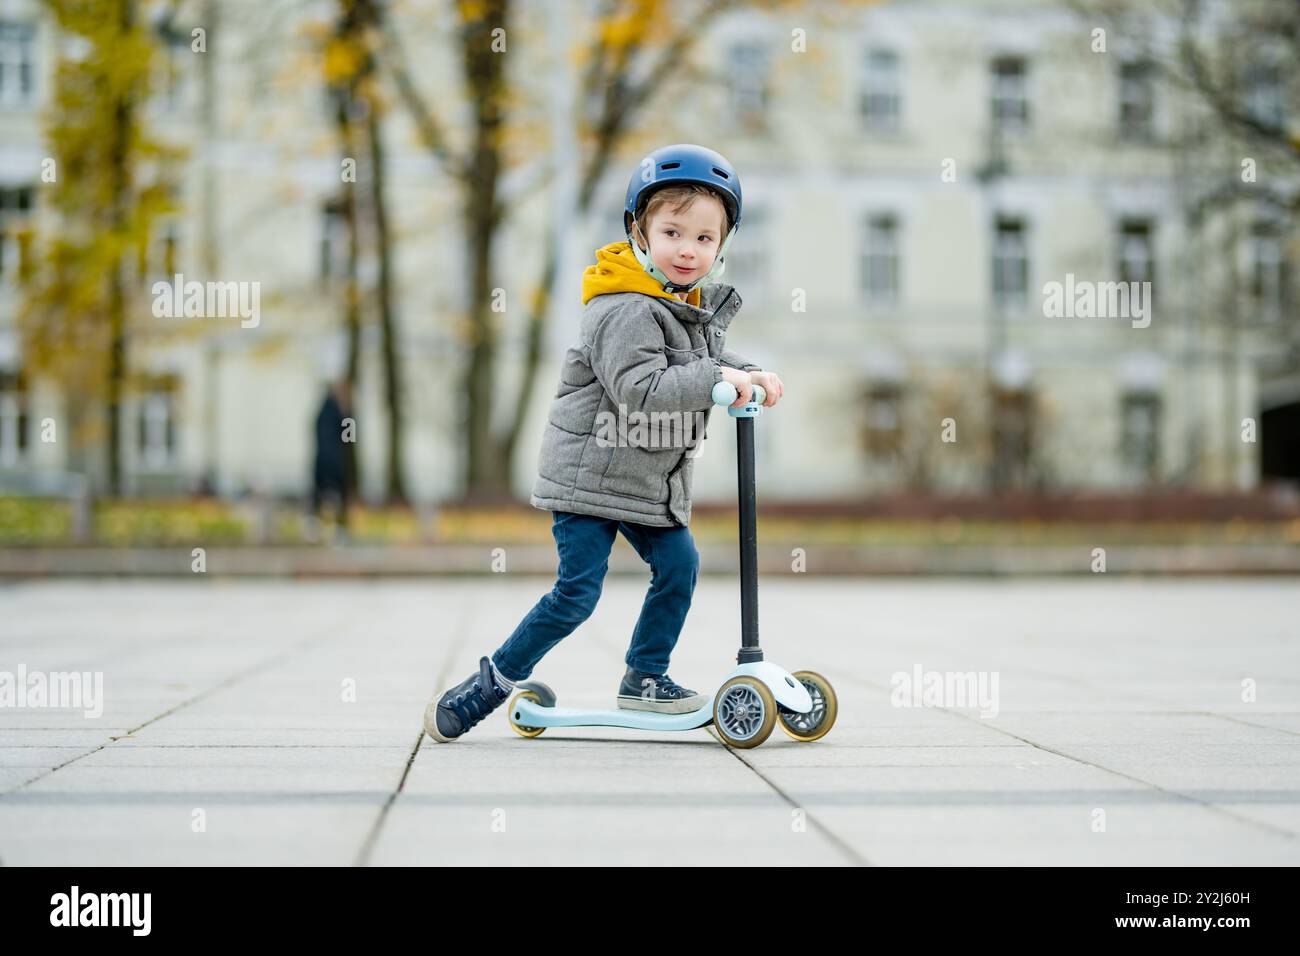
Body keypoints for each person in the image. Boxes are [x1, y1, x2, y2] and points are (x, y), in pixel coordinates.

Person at [425, 144, 784, 743]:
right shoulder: (623, 308)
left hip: (644, 482)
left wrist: (751, 372)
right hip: (589, 479)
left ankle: (645, 676)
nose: (688, 249)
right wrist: (721, 378)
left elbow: (704, 359)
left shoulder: (682, 307)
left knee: (680, 566)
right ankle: (493, 680)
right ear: (638, 232)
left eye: (704, 237)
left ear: (722, 246)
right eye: (673, 232)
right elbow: (641, 388)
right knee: (577, 593)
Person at [307, 380, 354, 540]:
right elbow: (349, 439)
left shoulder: (321, 411)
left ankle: (314, 526)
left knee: (319, 492)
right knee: (338, 493)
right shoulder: (342, 413)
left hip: (321, 457)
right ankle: (340, 529)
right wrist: (349, 415)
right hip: (335, 459)